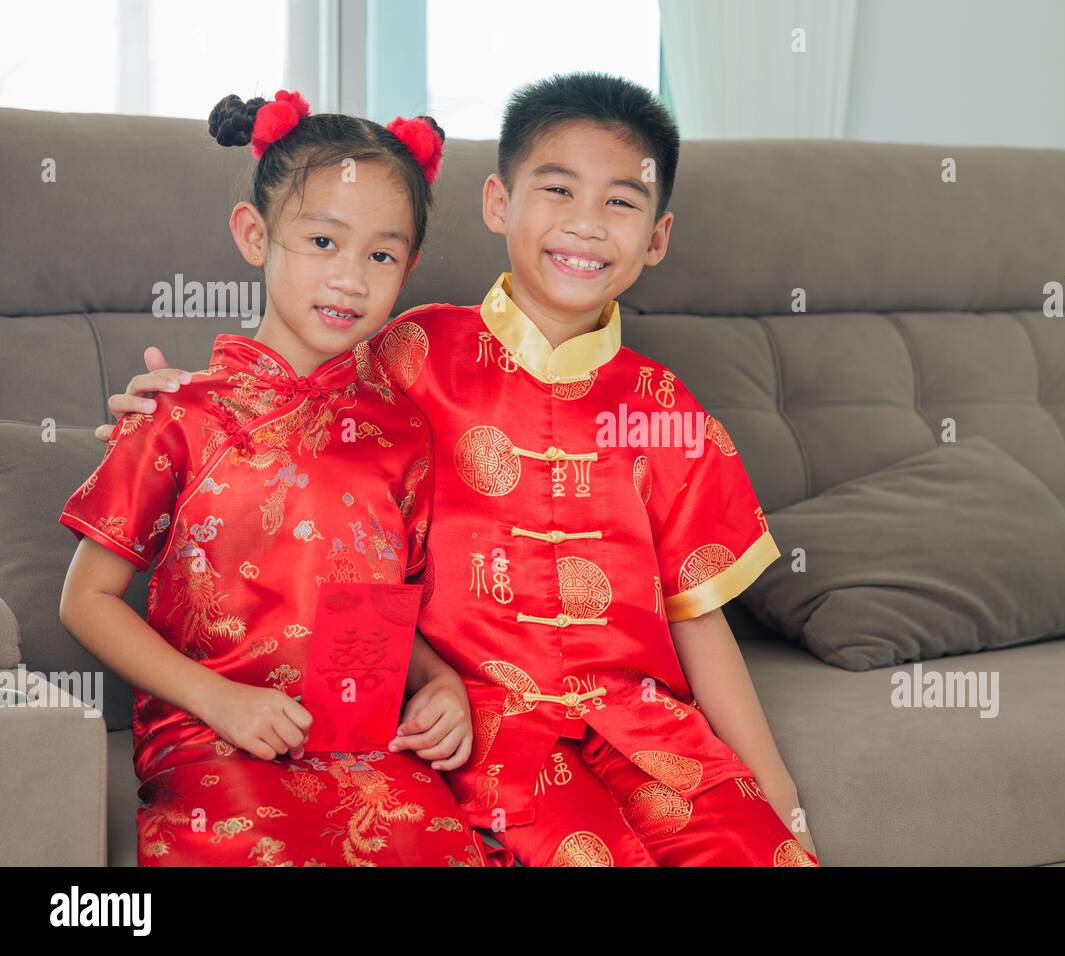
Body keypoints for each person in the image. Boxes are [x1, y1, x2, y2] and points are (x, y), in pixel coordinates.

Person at [100, 73, 821, 867]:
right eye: (557, 190)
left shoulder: (666, 407)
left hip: (645, 725)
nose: (585, 224)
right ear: (497, 205)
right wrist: (166, 405)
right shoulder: (411, 352)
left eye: (620, 202)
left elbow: (698, 615)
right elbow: (294, 385)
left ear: (656, 237)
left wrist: (777, 792)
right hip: (488, 726)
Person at [60, 90, 512, 867]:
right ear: (255, 235)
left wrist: (439, 686)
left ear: (410, 267)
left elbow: (384, 615)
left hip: (367, 746)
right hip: (213, 740)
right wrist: (218, 701)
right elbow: (84, 600)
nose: (349, 278)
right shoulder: (179, 413)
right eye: (323, 241)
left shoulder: (402, 434)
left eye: (380, 255)